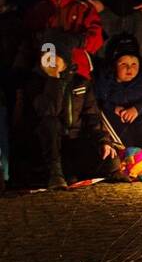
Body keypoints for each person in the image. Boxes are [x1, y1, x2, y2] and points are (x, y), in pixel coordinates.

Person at [23, 30, 115, 189]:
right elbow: (49, 110)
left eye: (54, 56)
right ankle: (55, 174)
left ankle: (78, 171)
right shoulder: (35, 82)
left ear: (64, 57)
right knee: (51, 123)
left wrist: (103, 141)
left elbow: (92, 115)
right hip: (49, 145)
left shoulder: (80, 82)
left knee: (111, 161)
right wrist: (54, 78)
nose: (49, 60)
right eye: (46, 56)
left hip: (74, 141)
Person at [22, 0, 102, 81]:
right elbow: (29, 34)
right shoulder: (42, 7)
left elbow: (96, 37)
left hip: (78, 69)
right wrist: (43, 37)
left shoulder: (83, 6)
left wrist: (78, 41)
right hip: (47, 67)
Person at [95, 34, 142, 154]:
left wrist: (138, 109)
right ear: (114, 65)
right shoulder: (104, 80)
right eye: (123, 64)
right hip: (118, 133)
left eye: (134, 64)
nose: (130, 69)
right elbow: (96, 102)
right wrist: (113, 109)